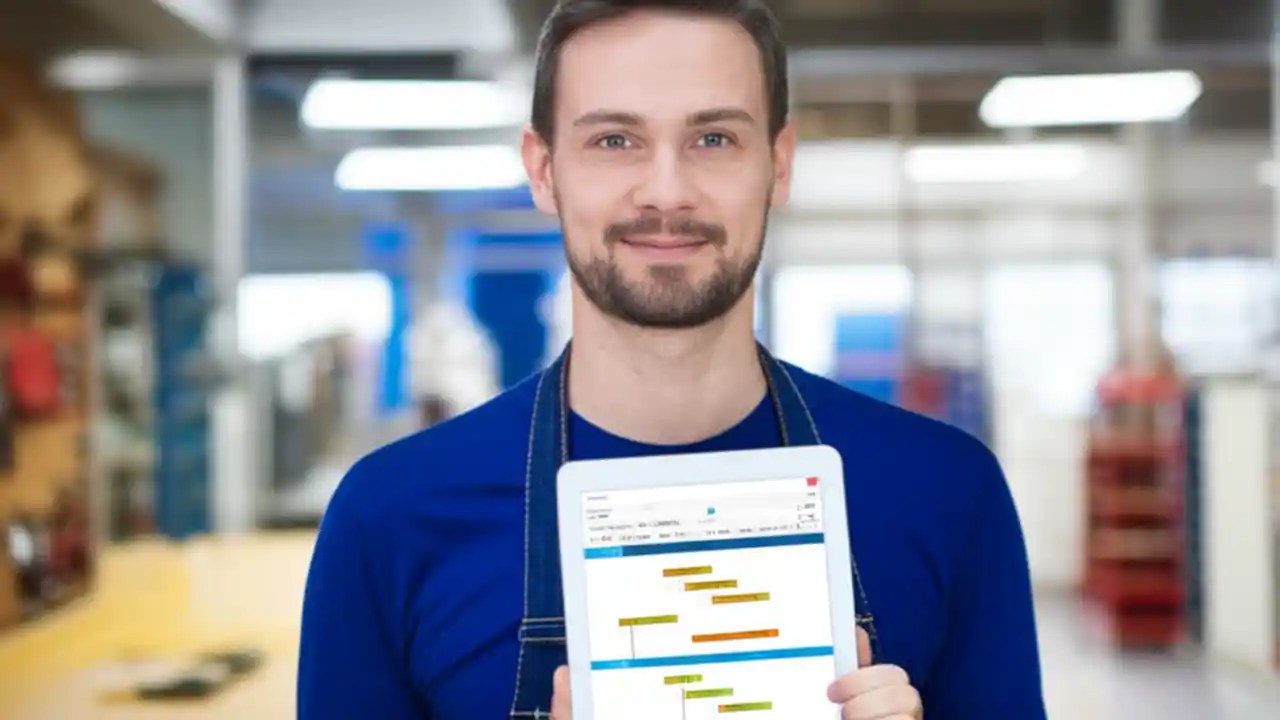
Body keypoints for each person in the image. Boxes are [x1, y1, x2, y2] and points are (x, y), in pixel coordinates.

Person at [297, 1, 1047, 718]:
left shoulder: (948, 493)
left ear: (779, 165)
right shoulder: (389, 520)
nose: (665, 191)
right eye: (614, 140)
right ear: (543, 169)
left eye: (713, 138)